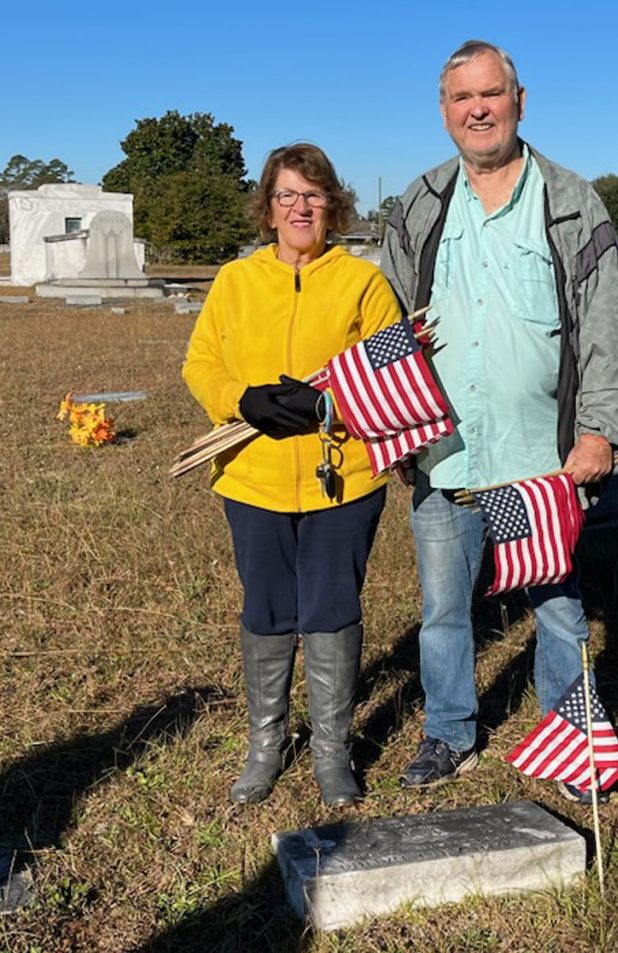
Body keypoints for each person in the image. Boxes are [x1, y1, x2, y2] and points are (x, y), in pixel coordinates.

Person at [381, 40, 618, 802]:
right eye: (462, 99)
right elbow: (388, 324)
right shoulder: (421, 203)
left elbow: (606, 325)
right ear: (444, 112)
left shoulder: (568, 199)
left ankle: (569, 741)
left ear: (519, 100)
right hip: (449, 455)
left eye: (491, 94)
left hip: (542, 461)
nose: (478, 110)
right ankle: (450, 732)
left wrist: (600, 426)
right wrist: (393, 426)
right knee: (442, 610)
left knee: (558, 610)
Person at [183, 143, 401, 807]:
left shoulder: (362, 282)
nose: (299, 207)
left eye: (312, 195)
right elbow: (201, 362)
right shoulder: (235, 281)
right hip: (253, 475)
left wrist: (333, 404)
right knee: (269, 605)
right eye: (286, 195)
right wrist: (239, 399)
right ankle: (266, 743)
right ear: (268, 209)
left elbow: (396, 375)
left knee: (332, 605)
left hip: (345, 474)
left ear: (333, 206)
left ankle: (333, 751)